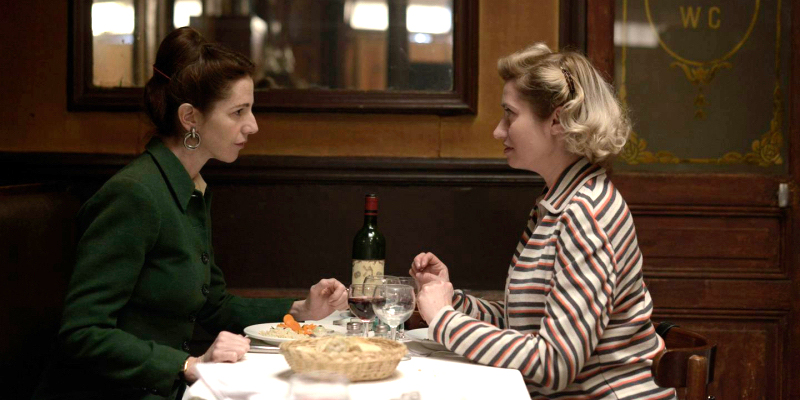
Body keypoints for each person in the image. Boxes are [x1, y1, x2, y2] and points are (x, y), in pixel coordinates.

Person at [33, 27, 348, 400]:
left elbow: (213, 306)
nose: (253, 125)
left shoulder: (190, 185)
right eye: (238, 112)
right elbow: (82, 333)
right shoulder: (134, 195)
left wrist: (300, 310)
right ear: (190, 118)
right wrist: (187, 365)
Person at [411, 43, 677, 400]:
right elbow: (525, 326)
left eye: (510, 115)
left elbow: (554, 364)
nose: (498, 131)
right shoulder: (558, 203)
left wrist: (444, 320)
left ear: (556, 119)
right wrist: (452, 301)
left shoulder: (586, 213)